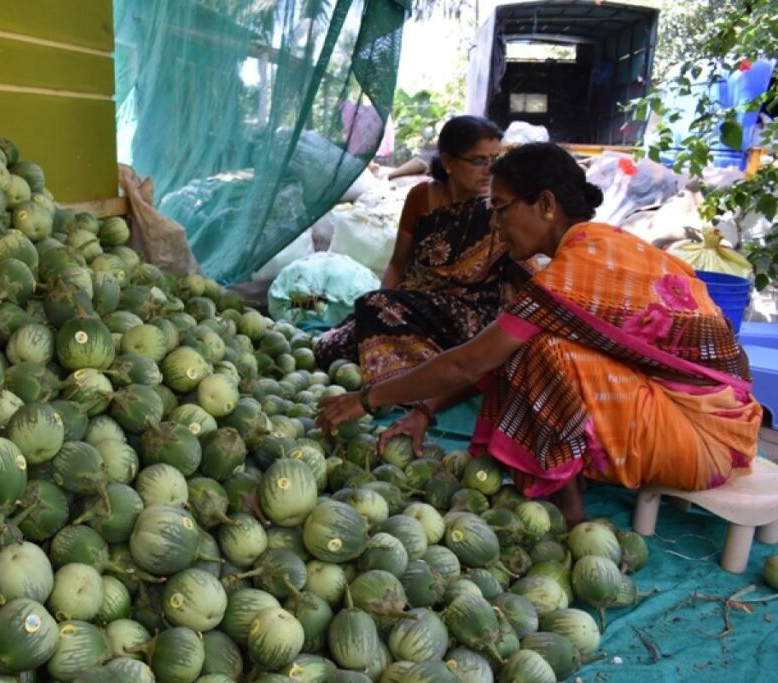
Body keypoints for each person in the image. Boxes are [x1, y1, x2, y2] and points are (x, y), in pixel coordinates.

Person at [317, 142, 762, 526]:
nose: (494, 224)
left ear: (546, 205)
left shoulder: (573, 273)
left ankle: (569, 512)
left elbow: (469, 362)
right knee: (526, 340)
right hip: (725, 418)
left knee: (543, 350)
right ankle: (567, 489)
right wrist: (423, 414)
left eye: (501, 208)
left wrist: (365, 399)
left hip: (706, 436)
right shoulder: (605, 245)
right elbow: (483, 356)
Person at [316, 115, 536, 385]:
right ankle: (428, 368)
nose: (490, 170)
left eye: (495, 159)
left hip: (472, 315)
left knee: (372, 313)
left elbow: (528, 269)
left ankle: (430, 374)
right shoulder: (421, 197)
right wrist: (382, 301)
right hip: (416, 306)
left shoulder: (498, 207)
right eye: (479, 160)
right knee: (331, 347)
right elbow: (398, 264)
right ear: (448, 162)